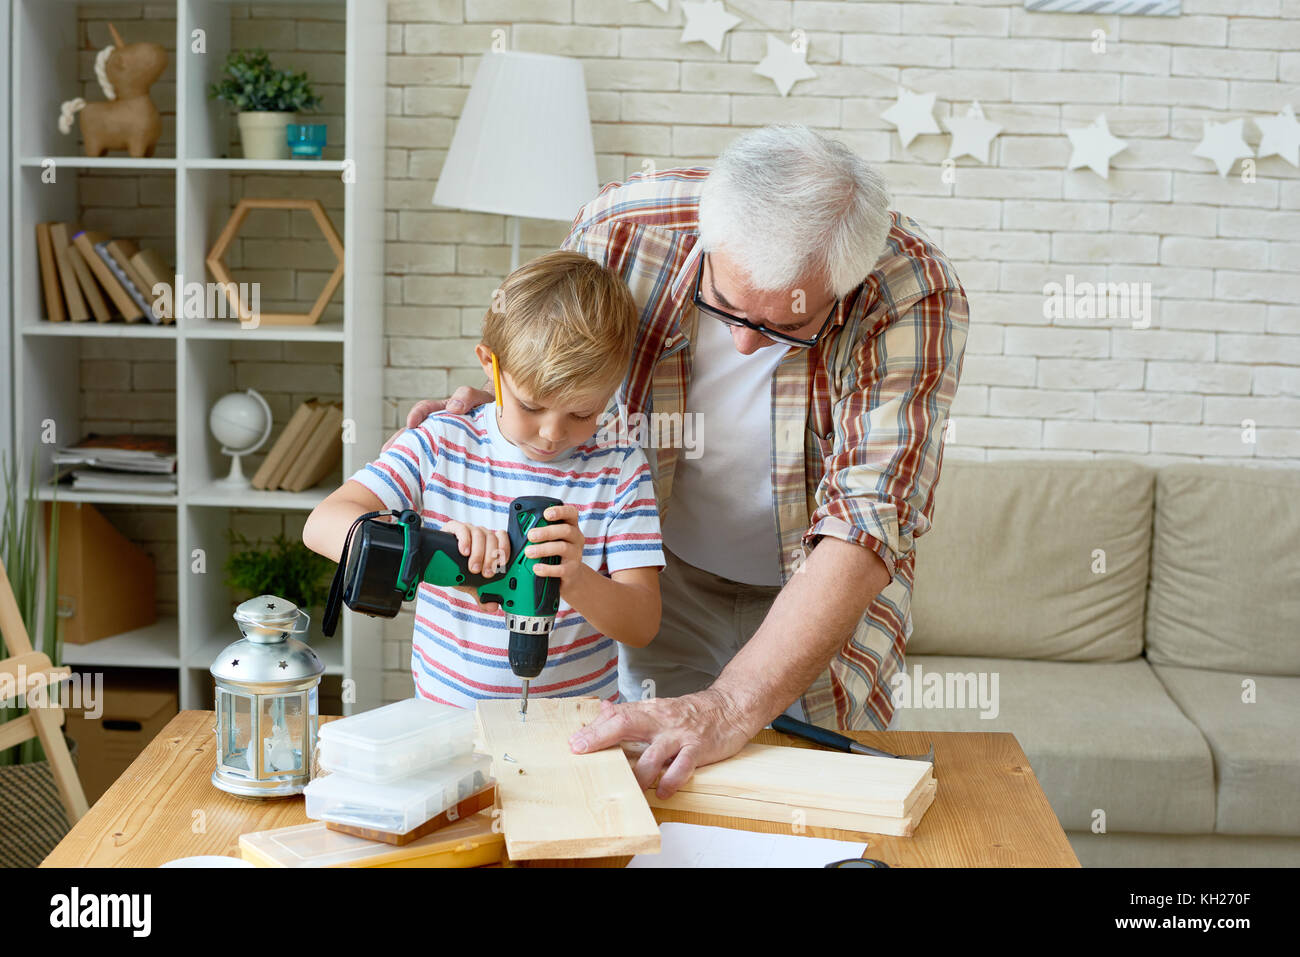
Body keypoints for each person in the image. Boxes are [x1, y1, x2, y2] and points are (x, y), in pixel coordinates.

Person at [396, 124, 969, 796]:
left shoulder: (909, 291)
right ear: (707, 237)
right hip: (667, 572)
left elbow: (867, 520)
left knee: (819, 792)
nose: (745, 343)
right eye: (725, 306)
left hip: (815, 584)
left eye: (785, 326)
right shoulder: (622, 231)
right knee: (662, 783)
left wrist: (728, 706)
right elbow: (544, 354)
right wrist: (499, 412)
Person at [303, 251, 665, 707]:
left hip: (577, 729)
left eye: (582, 412)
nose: (553, 434)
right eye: (530, 406)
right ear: (489, 365)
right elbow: (321, 524)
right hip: (444, 716)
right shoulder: (442, 445)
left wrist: (573, 578)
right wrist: (443, 550)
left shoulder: (620, 469)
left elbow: (642, 624)